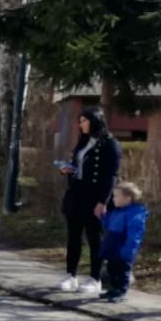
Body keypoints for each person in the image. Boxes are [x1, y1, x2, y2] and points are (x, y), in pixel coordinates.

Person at [57, 106, 121, 294]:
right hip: (77, 194)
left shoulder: (110, 145)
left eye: (85, 120)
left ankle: (95, 277)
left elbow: (112, 176)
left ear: (95, 121)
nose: (81, 124)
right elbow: (79, 165)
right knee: (73, 236)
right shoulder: (83, 142)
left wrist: (103, 201)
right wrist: (68, 169)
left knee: (95, 238)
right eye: (81, 120)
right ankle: (71, 275)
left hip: (95, 197)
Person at [98, 182, 148, 303]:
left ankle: (121, 291)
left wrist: (129, 249)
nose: (114, 199)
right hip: (112, 244)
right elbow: (108, 225)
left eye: (117, 196)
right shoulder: (116, 211)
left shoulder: (134, 213)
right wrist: (103, 217)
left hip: (123, 245)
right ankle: (113, 289)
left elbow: (135, 233)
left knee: (122, 271)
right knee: (112, 268)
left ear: (128, 198)